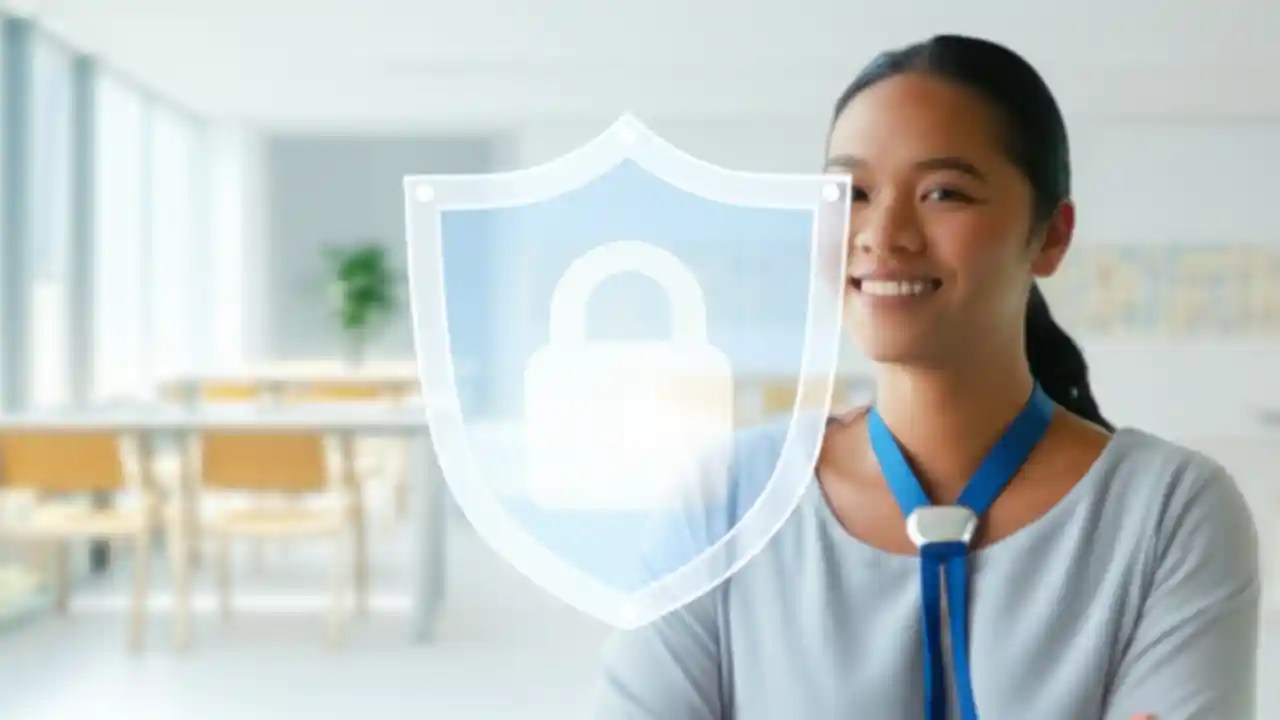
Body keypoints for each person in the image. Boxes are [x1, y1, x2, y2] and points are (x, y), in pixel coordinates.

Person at [592, 34, 1259, 719]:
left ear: (1051, 236)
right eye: (851, 191)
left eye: (945, 192)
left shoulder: (1168, 513)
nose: (884, 234)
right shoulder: (731, 501)